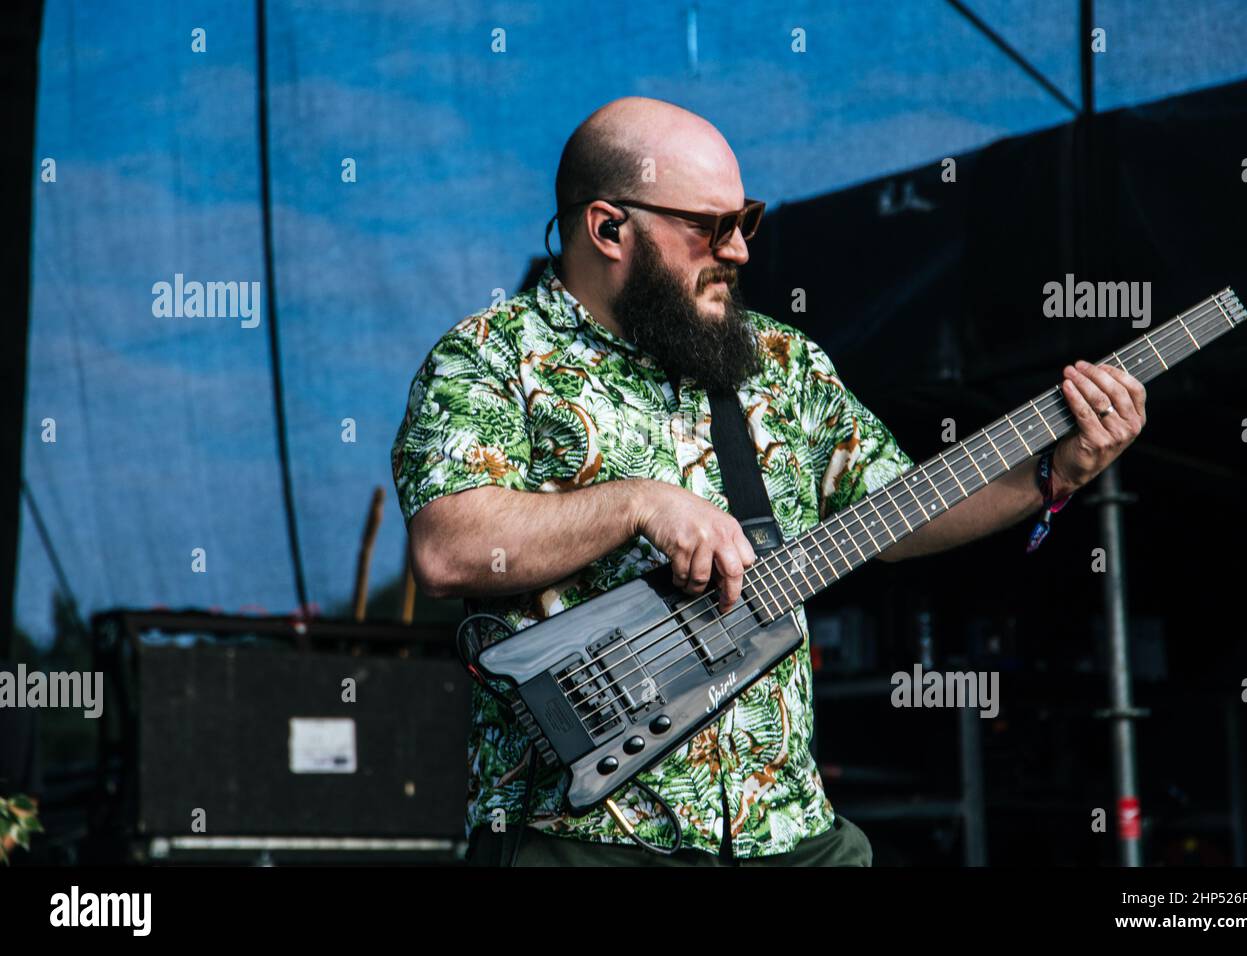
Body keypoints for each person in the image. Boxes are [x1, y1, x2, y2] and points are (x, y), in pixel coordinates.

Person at [390, 96, 1146, 866]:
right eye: (711, 228)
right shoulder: (488, 356)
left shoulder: (781, 364)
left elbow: (898, 513)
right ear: (609, 228)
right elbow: (449, 549)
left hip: (786, 831)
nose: (741, 251)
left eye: (745, 221)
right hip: (584, 836)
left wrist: (1054, 473)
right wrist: (639, 504)